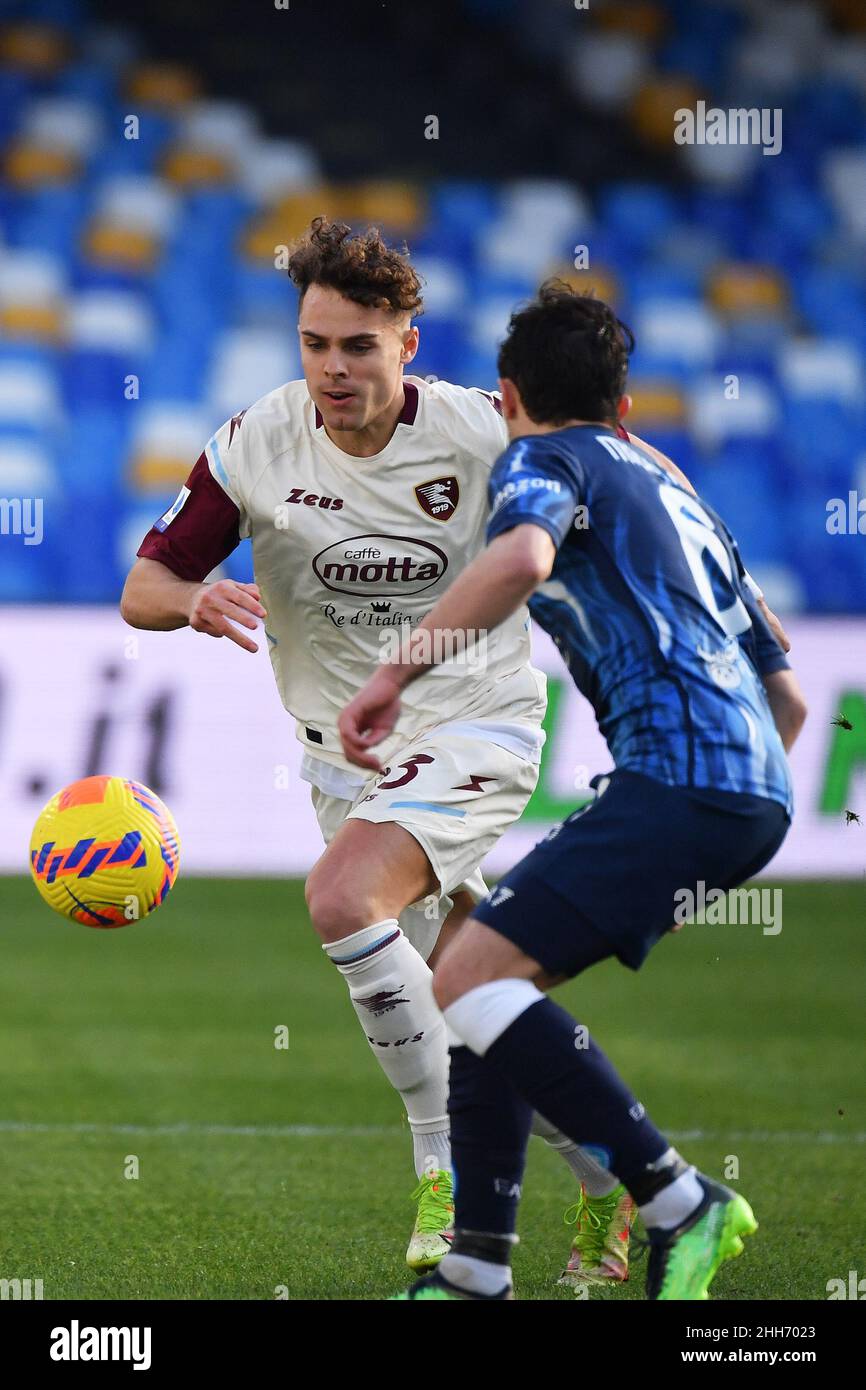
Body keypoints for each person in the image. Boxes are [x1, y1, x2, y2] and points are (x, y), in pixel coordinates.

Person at [122, 220, 654, 1281]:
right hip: (342, 756)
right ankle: (617, 1177)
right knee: (472, 986)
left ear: (406, 345)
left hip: (473, 719)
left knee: (338, 899)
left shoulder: (477, 431)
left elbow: (616, 463)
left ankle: (440, 1174)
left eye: (357, 346)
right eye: (314, 343)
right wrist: (191, 598)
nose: (331, 368)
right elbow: (141, 589)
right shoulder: (253, 444)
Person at [339, 282, 807, 1300]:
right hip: (747, 789)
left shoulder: (545, 459)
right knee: (481, 980)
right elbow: (792, 702)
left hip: (676, 776)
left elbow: (519, 554)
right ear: (625, 406)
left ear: (507, 398)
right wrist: (694, 858)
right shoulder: (672, 485)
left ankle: (679, 1201)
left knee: (463, 979)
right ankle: (472, 1270)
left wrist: (392, 674)